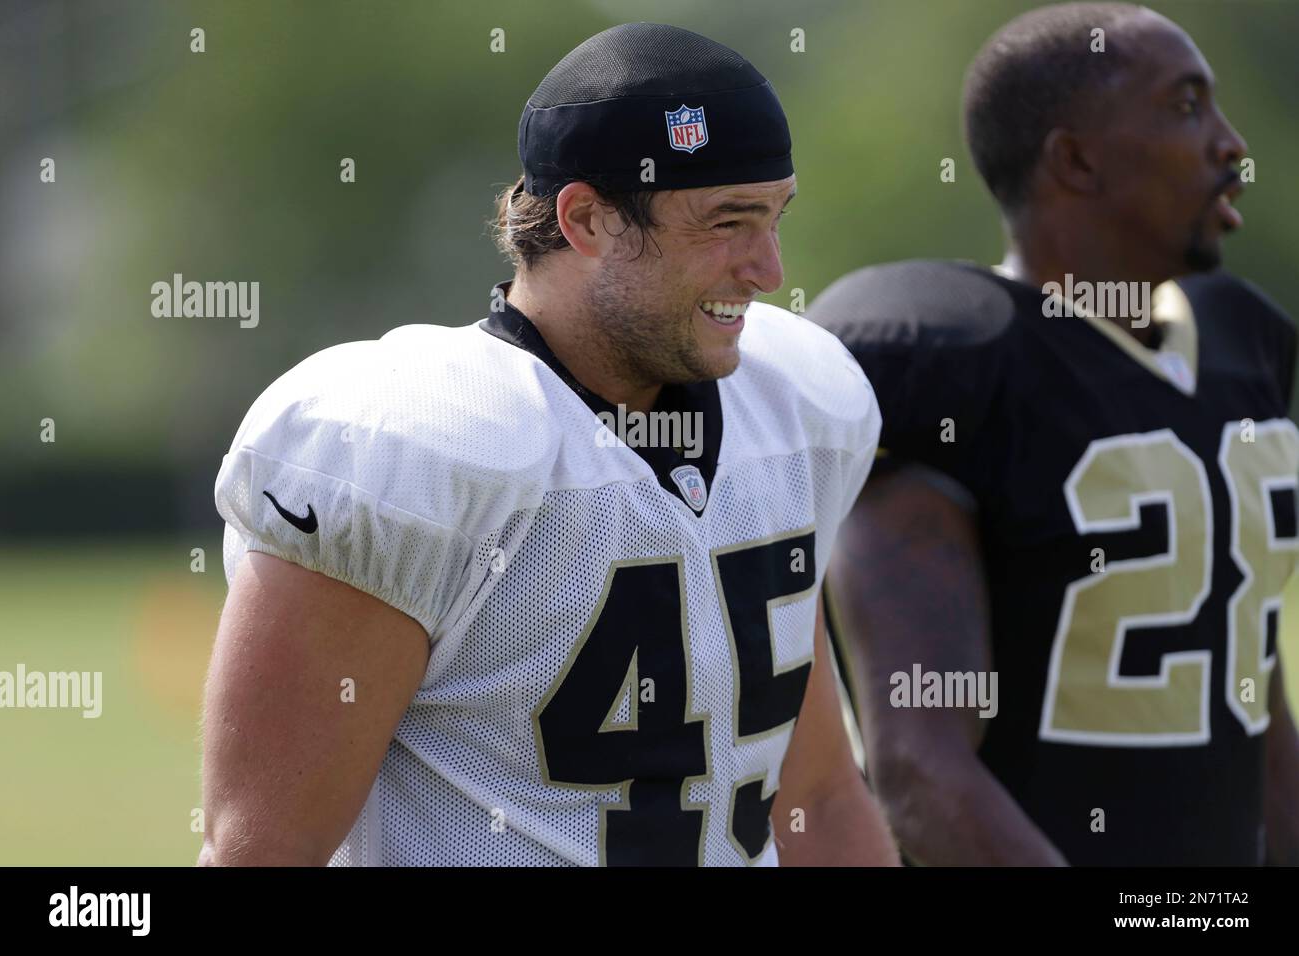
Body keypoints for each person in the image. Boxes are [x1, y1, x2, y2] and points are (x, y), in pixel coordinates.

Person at [200, 22, 898, 867]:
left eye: (775, 215)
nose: (769, 267)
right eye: (728, 221)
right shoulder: (415, 445)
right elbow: (266, 851)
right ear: (588, 220)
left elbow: (818, 798)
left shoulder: (791, 408)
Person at [809, 2, 1299, 865]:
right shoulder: (958, 362)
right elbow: (920, 770)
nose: (1231, 145)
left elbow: (1253, 695)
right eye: (1186, 107)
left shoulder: (1240, 344)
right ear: (1075, 159)